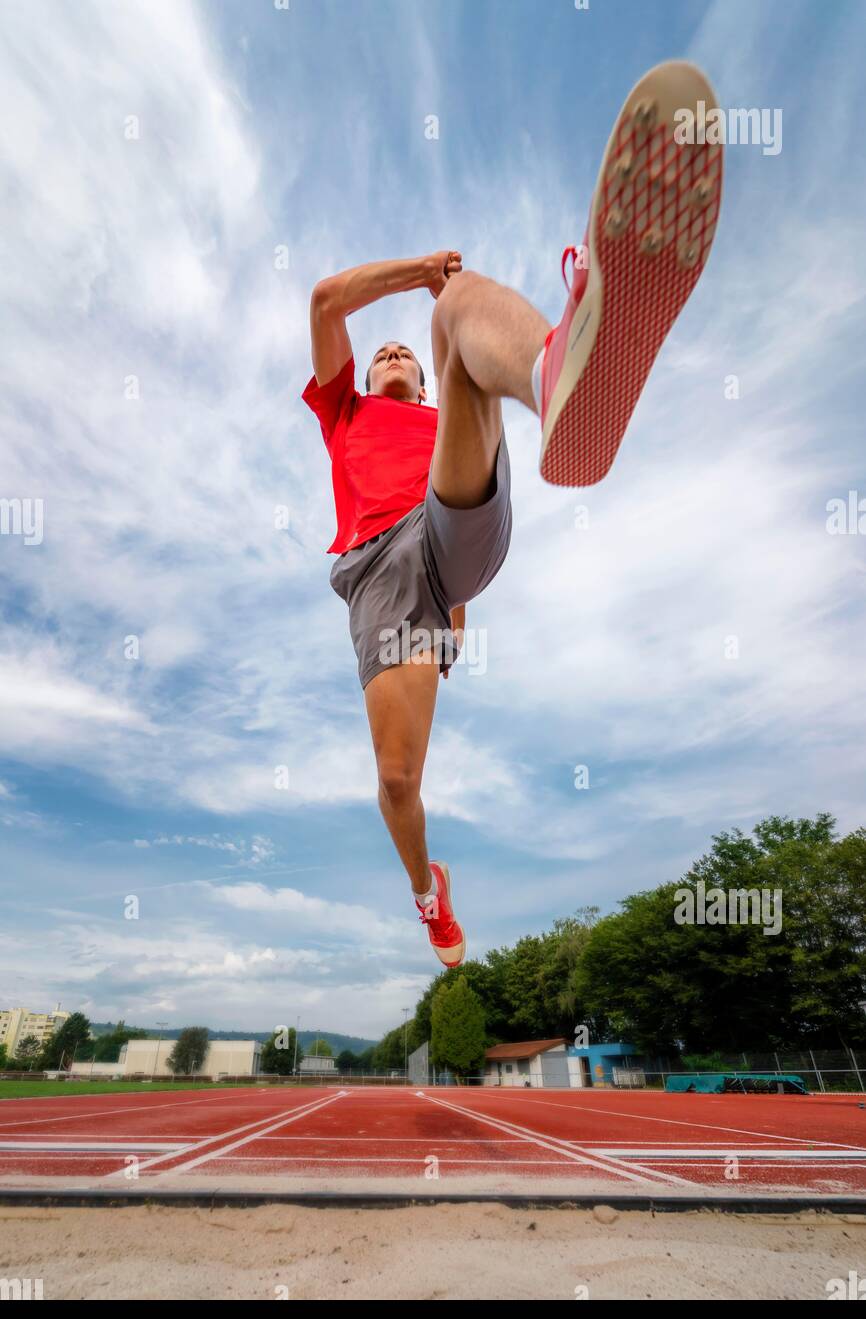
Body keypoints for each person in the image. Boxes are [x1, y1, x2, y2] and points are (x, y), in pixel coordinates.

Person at [302, 60, 723, 968]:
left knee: (459, 310)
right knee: (397, 781)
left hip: (449, 524)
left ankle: (553, 369)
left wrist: (437, 294)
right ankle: (428, 893)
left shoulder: (440, 397)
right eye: (382, 355)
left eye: (399, 355)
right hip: (381, 576)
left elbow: (441, 371)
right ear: (365, 379)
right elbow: (327, 301)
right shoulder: (343, 409)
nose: (389, 355)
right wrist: (414, 267)